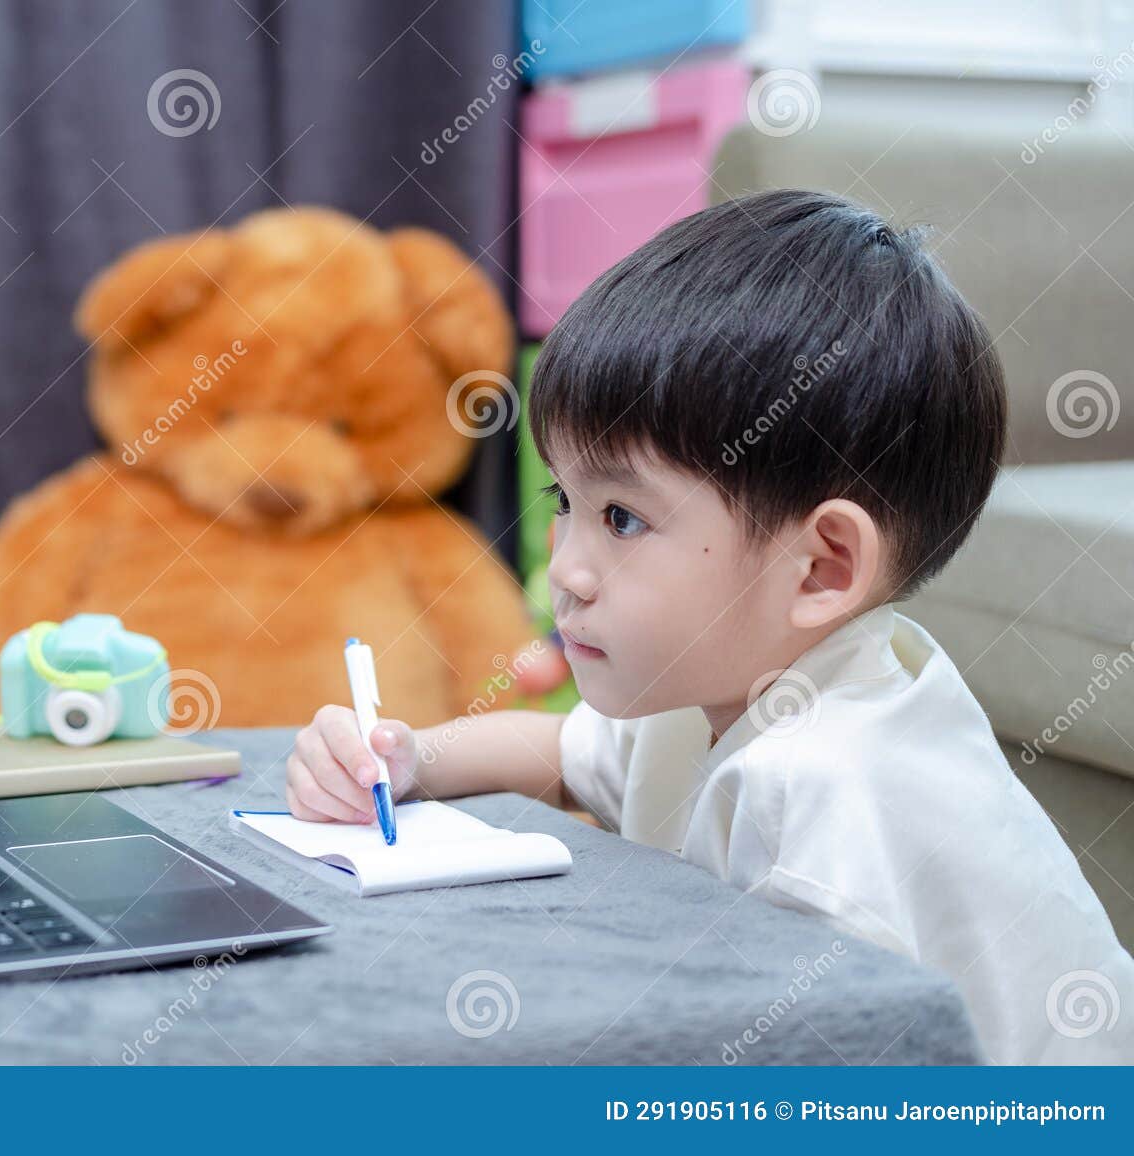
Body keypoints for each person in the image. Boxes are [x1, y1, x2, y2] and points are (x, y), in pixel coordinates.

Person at [287, 190, 1133, 1064]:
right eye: (564, 501)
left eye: (621, 519)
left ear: (822, 568)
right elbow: (562, 753)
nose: (565, 571)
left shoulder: (830, 798)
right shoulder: (716, 681)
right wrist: (410, 761)